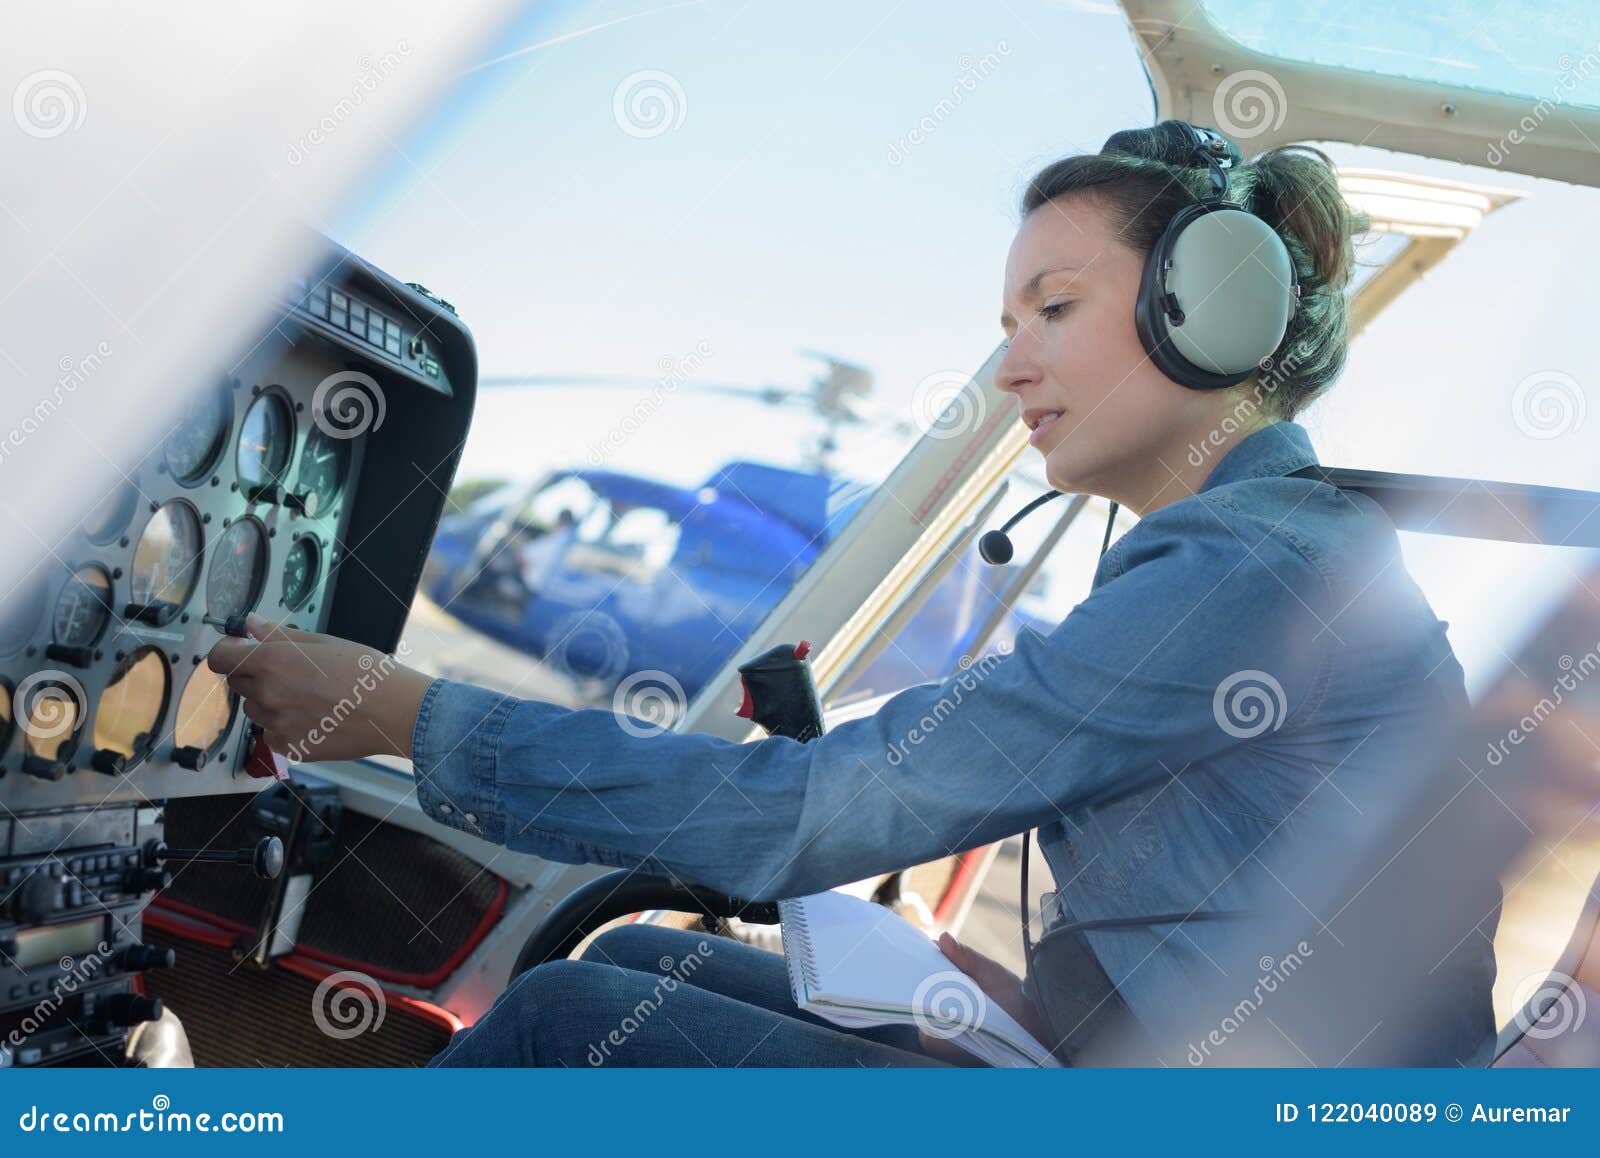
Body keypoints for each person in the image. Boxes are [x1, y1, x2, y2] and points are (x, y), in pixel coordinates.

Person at [207, 123, 1497, 1067]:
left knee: (564, 1025)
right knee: (645, 963)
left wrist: (407, 715)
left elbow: (821, 810)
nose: (1012, 367)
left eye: (1052, 307)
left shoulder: (1250, 571)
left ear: (1200, 316)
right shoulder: (1272, 546)